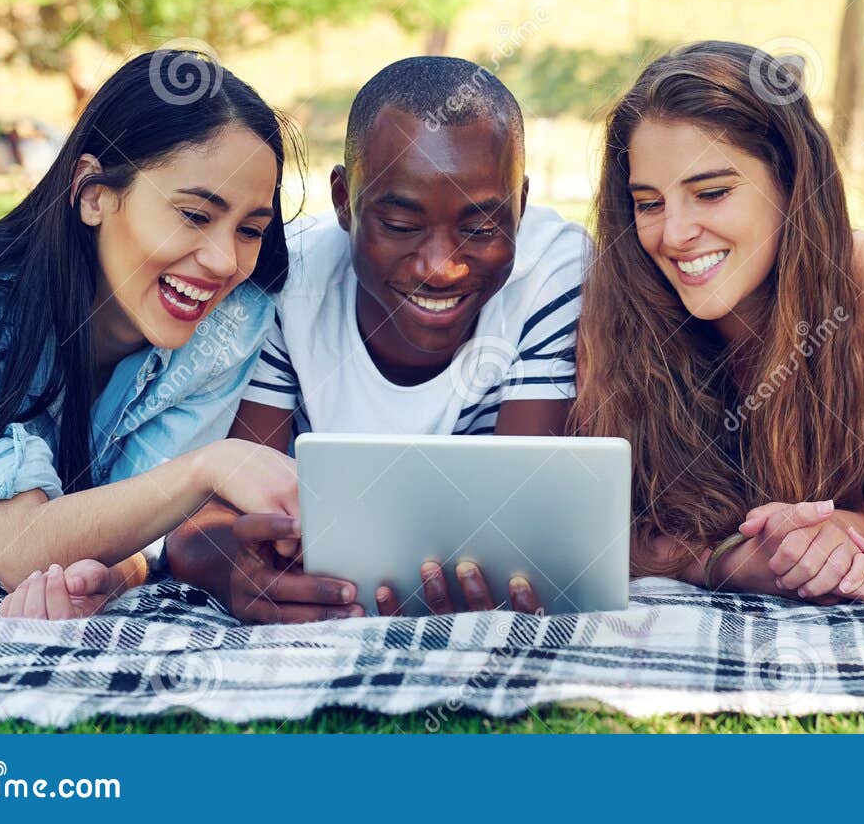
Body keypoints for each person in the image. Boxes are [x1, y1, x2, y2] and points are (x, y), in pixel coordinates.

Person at [0, 49, 302, 620]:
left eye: (251, 229)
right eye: (195, 216)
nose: (224, 261)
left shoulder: (234, 321)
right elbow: (19, 546)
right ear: (92, 193)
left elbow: (146, 530)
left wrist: (110, 571)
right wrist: (213, 465)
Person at [166, 56, 587, 622]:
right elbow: (211, 523)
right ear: (343, 201)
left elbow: (525, 519)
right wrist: (239, 572)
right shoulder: (289, 283)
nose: (442, 267)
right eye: (401, 225)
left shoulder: (553, 271)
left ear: (521, 204)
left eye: (482, 228)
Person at [572, 41, 864, 603]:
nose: (674, 234)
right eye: (649, 203)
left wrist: (834, 538)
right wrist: (729, 562)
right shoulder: (617, 294)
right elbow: (601, 525)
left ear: (791, 182)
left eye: (711, 193)